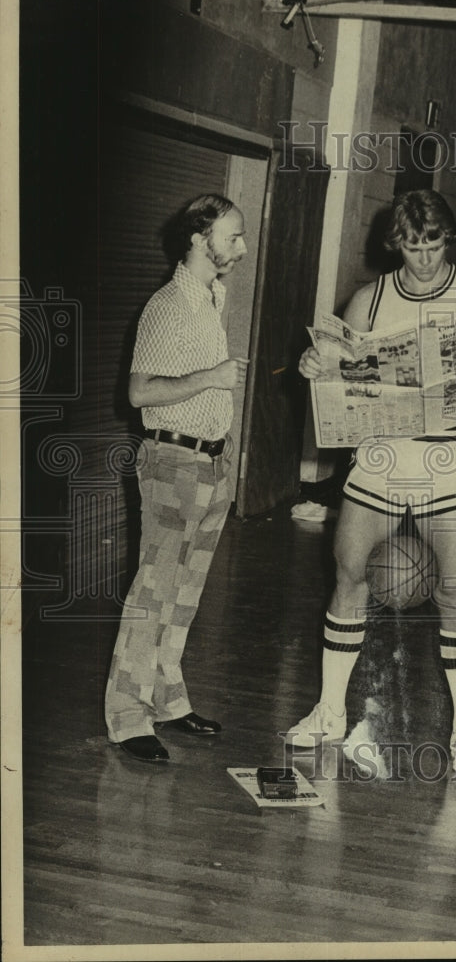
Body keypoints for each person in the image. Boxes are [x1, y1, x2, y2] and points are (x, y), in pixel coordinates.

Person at [286, 189, 456, 776]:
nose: (424, 259)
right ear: (394, 243)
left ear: (447, 240)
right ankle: (328, 711)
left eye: (434, 245)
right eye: (411, 246)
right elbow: (330, 372)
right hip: (379, 457)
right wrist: (314, 366)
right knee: (348, 575)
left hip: (445, 460)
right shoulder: (369, 300)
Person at [105, 194, 249, 763]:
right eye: (232, 237)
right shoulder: (169, 306)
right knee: (153, 593)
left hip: (210, 463)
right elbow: (140, 393)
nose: (241, 247)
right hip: (171, 464)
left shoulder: (212, 297)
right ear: (199, 238)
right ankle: (127, 718)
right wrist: (209, 376)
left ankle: (167, 700)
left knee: (183, 597)